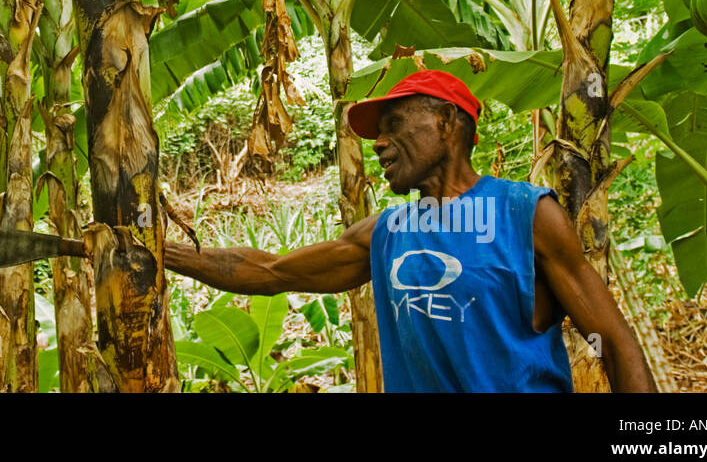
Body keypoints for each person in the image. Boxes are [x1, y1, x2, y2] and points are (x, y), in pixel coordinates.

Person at [164, 69, 656, 392]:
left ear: (446, 122)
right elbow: (270, 270)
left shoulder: (523, 213)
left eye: (393, 123)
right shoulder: (388, 231)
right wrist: (162, 251)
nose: (378, 143)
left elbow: (611, 341)